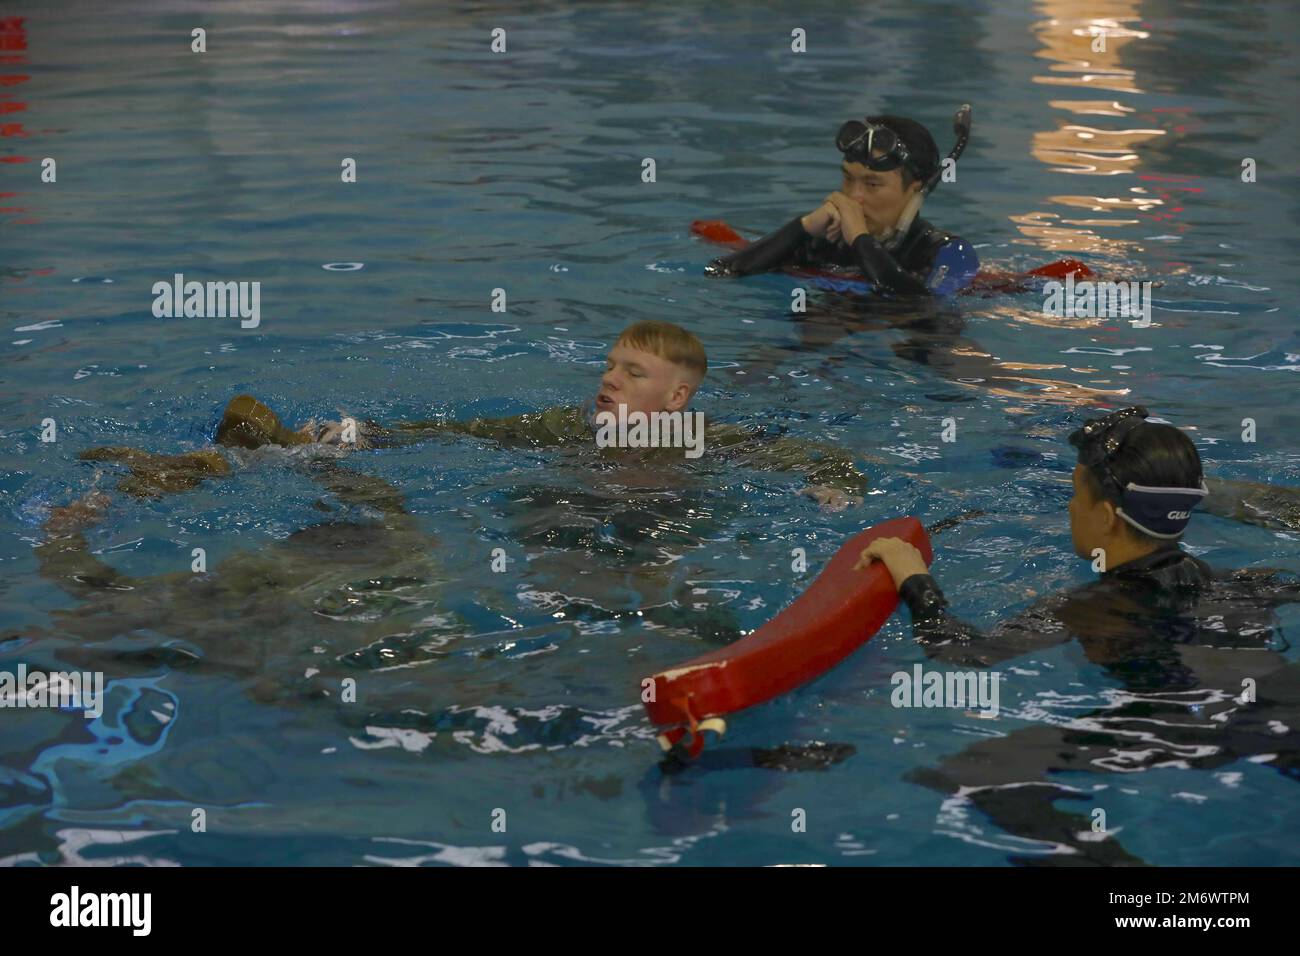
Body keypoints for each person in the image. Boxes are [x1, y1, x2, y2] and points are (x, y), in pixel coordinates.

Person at [857, 406, 1300, 864]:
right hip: (1284, 706)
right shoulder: (1249, 582)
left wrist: (913, 578)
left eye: (1074, 494)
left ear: (1106, 516)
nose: (1070, 507)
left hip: (1191, 726)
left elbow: (960, 653)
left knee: (974, 772)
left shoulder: (1088, 609)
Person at [82, 321, 873, 512]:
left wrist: (833, 485)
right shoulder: (569, 428)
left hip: (623, 524)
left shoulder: (704, 440)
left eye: (631, 374)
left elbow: (807, 453)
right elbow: (464, 434)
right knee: (339, 457)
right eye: (607, 365)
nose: (606, 381)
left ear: (676, 399)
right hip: (546, 505)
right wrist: (363, 432)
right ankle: (255, 453)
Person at [704, 114, 980, 296]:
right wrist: (802, 228)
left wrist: (860, 239)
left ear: (915, 188)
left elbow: (919, 308)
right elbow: (719, 272)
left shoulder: (948, 253)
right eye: (848, 179)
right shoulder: (824, 240)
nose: (854, 196)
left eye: (872, 185)